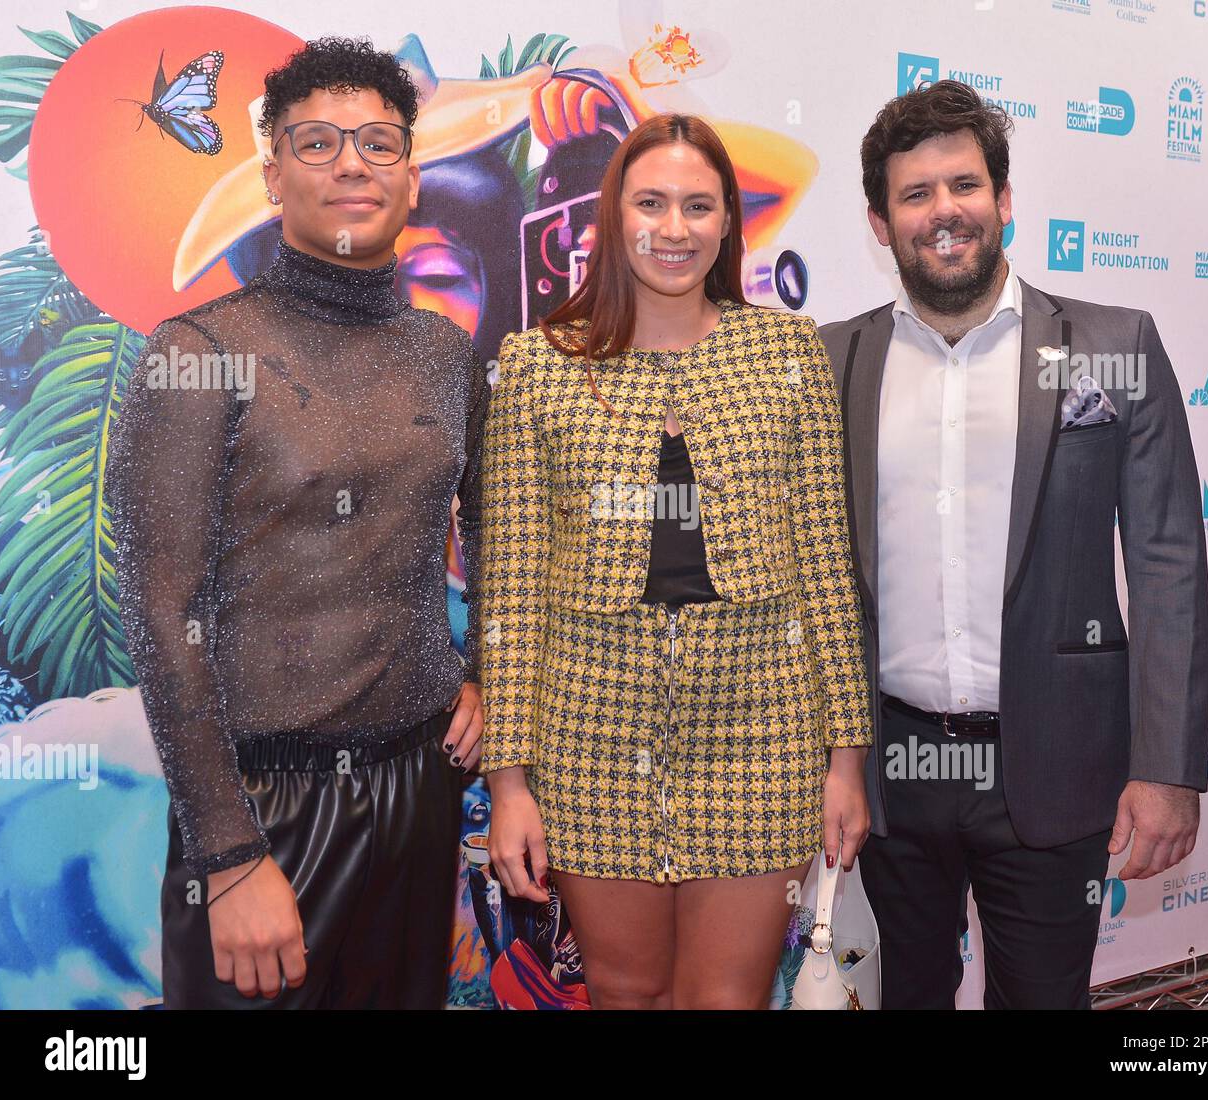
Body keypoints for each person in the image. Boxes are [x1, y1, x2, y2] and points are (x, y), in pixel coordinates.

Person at [105, 37, 488, 1009]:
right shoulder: (197, 355)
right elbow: (162, 614)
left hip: (418, 790)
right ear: (273, 172)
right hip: (261, 806)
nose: (352, 162)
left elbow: (495, 525)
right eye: (318, 142)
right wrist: (229, 854)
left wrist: (486, 666)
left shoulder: (442, 351)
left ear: (412, 173)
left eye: (378, 141)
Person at [819, 79, 1208, 1009]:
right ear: (880, 223)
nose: (942, 211)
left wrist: (1165, 769)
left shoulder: (1112, 346)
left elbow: (1166, 562)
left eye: (963, 185)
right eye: (915, 195)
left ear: (1004, 201)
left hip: (1055, 765)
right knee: (905, 997)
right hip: (893, 770)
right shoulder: (830, 362)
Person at [478, 113, 872, 1010]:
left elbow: (823, 567)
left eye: (699, 205)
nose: (674, 227)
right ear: (612, 217)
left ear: (729, 221)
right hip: (590, 734)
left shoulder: (786, 355)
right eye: (650, 202)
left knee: (726, 998)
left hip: (760, 727)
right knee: (623, 989)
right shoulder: (540, 366)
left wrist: (845, 761)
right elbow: (509, 590)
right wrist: (510, 783)